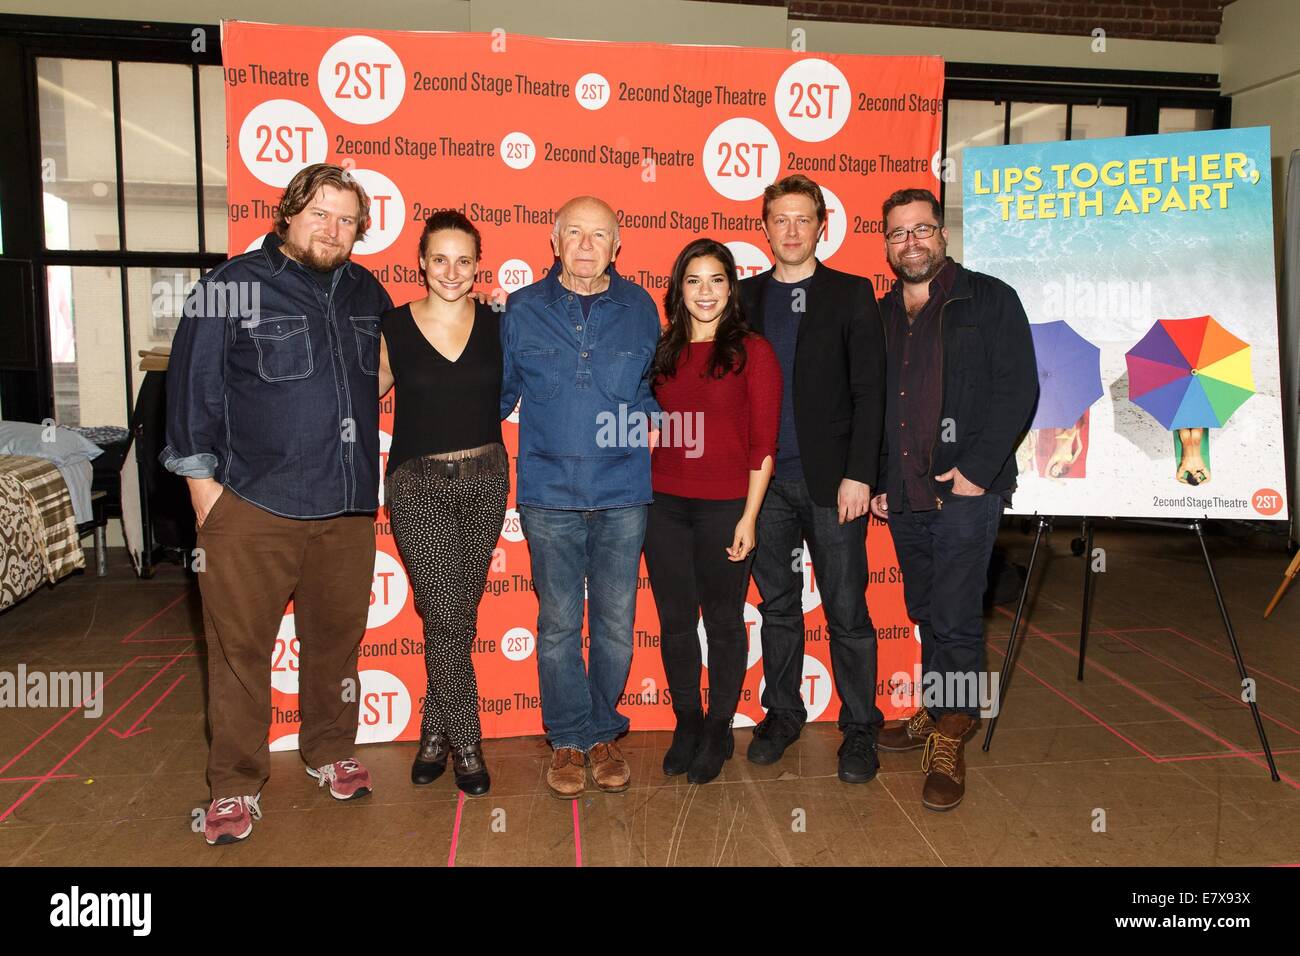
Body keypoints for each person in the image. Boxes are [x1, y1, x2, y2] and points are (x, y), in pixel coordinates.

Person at [163, 163, 393, 845]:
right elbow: (192, 389)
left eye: (347, 219)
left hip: (346, 504)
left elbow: (377, 371)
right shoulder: (231, 285)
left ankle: (329, 750)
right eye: (320, 213)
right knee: (239, 654)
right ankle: (234, 785)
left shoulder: (365, 288)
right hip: (252, 505)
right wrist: (206, 495)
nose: (333, 229)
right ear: (289, 213)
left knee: (335, 648)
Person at [869, 187, 1038, 812]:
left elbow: (1017, 388)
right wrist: (881, 477)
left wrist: (977, 469)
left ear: (942, 234)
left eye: (922, 229)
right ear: (887, 244)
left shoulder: (988, 299)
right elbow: (878, 406)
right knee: (926, 607)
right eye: (898, 233)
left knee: (960, 616)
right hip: (906, 492)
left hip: (966, 491)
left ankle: (952, 731)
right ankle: (938, 706)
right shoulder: (883, 313)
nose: (911, 241)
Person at [500, 196, 661, 799]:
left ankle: (602, 734)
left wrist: (681, 427)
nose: (587, 246)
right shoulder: (521, 309)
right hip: (548, 496)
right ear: (555, 240)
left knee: (617, 627)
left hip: (624, 492)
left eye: (600, 235)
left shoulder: (641, 307)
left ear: (617, 246)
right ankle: (568, 738)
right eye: (575, 233)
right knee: (559, 626)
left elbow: (650, 390)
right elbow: (498, 394)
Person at [737, 174, 888, 784]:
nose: (792, 230)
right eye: (781, 219)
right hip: (764, 485)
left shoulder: (852, 294)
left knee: (847, 609)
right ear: (766, 227)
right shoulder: (743, 299)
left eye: (804, 219)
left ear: (822, 225)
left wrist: (861, 474)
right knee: (777, 606)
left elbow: (870, 392)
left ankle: (859, 726)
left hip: (833, 485)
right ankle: (782, 713)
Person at [643, 239, 781, 784]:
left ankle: (720, 727)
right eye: (693, 280)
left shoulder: (754, 352)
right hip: (664, 504)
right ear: (678, 288)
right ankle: (687, 723)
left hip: (727, 504)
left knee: (723, 622)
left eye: (717, 279)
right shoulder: (664, 349)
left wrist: (749, 518)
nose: (705, 291)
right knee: (675, 622)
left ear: (732, 286)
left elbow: (762, 444)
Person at [378, 210, 504, 798]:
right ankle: (468, 745)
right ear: (420, 263)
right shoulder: (393, 327)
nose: (451, 271)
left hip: (486, 478)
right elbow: (357, 392)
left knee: (454, 619)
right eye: (439, 259)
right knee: (448, 617)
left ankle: (433, 731)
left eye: (463, 259)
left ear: (477, 265)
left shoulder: (502, 323)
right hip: (416, 482)